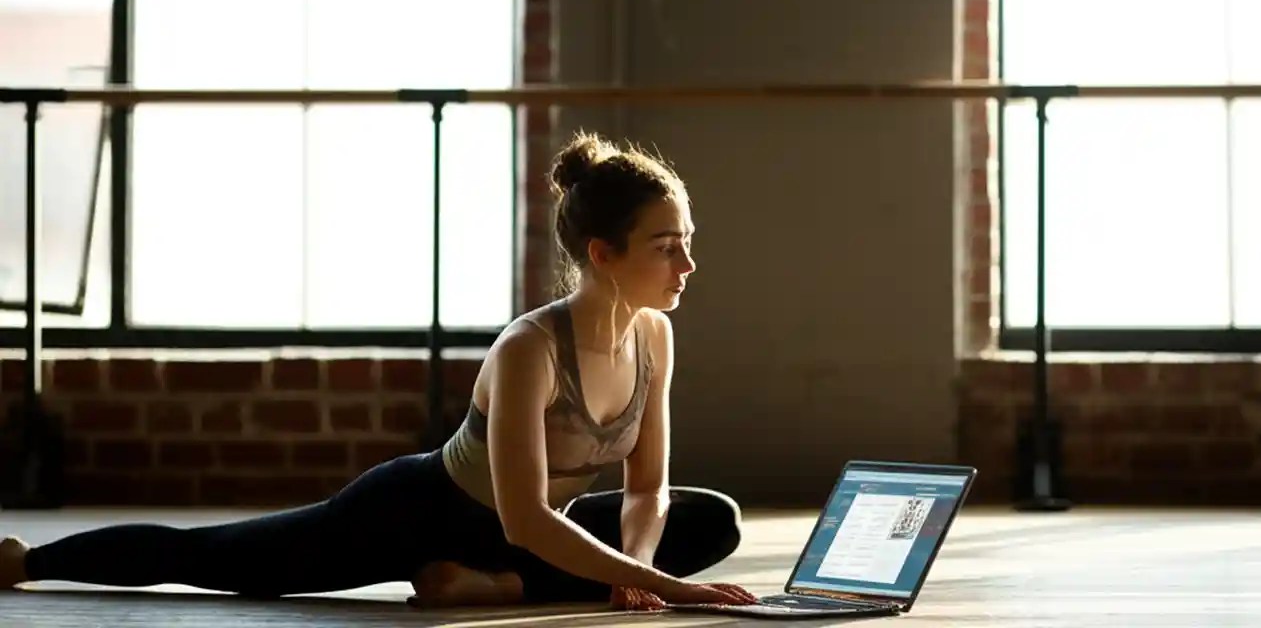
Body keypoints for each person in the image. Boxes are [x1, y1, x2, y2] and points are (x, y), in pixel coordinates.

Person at [0, 131, 757, 612]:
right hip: (425, 509)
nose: (687, 264)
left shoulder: (654, 338)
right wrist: (662, 588)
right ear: (602, 254)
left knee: (709, 518)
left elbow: (648, 489)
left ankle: (489, 589)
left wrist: (638, 566)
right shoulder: (529, 349)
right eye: (666, 245)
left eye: (686, 242)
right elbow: (524, 517)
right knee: (221, 558)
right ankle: (28, 559)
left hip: (526, 549)